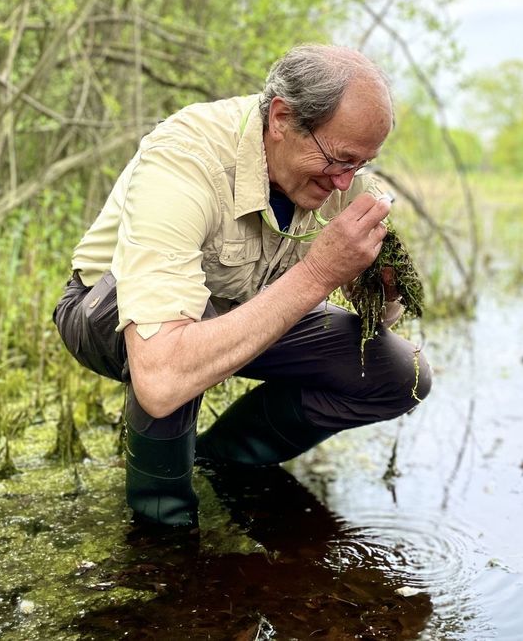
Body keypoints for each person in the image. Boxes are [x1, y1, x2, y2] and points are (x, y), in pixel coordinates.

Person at [52, 44, 432, 528]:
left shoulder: (344, 179)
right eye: (339, 160)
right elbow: (163, 375)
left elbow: (375, 320)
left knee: (403, 373)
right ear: (281, 118)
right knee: (186, 331)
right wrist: (318, 274)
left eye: (360, 164)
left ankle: (220, 460)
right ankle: (161, 523)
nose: (344, 183)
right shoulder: (186, 157)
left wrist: (386, 289)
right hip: (104, 313)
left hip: (242, 310)